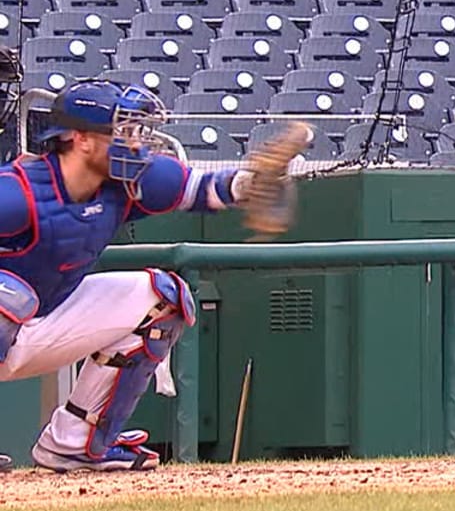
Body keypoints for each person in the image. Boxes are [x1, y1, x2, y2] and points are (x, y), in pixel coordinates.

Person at [0, 80, 308, 471]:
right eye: (121, 132)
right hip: (9, 319)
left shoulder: (126, 183)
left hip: (39, 326)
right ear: (80, 139)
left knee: (164, 298)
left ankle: (75, 444)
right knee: (10, 294)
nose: (134, 143)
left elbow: (201, 189)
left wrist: (249, 182)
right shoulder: (16, 193)